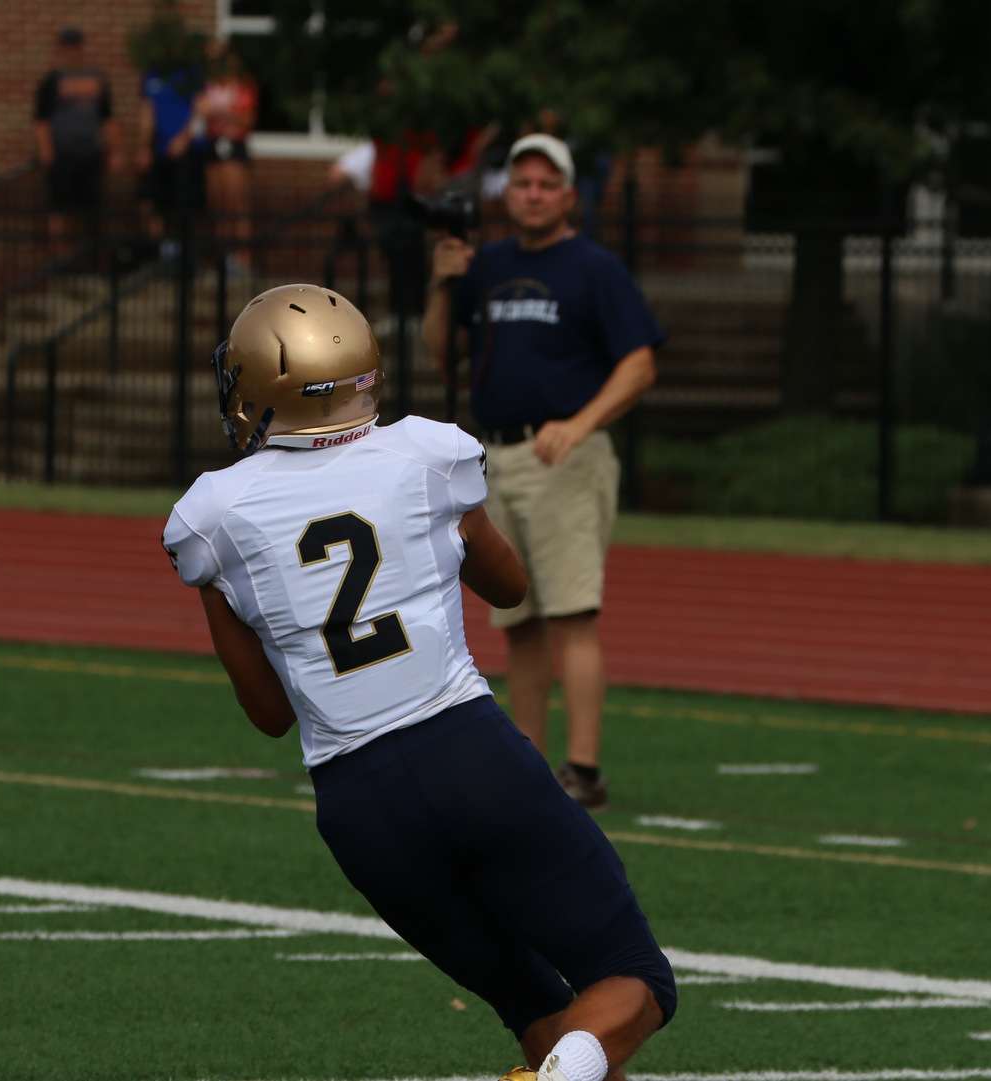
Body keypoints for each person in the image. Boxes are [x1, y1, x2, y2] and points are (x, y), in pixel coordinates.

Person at [164, 284, 675, 1081]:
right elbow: (509, 590)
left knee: (540, 1012)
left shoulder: (212, 514)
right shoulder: (425, 454)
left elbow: (267, 712)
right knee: (634, 981)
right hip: (468, 753)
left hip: (358, 804)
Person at [422, 134, 662, 811]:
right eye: (521, 182)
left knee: (571, 614)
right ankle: (529, 761)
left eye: (544, 183)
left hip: (564, 459)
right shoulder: (487, 263)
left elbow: (639, 363)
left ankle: (582, 769)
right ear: (508, 193)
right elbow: (442, 350)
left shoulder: (594, 268)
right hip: (494, 457)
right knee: (516, 618)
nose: (531, 193)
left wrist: (581, 423)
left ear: (567, 195)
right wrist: (443, 283)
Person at [34, 26, 120, 254]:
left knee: (90, 208)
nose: (72, 52)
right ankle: (60, 256)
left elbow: (108, 118)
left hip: (90, 154)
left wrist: (115, 152)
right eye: (68, 47)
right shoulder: (51, 81)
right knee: (60, 207)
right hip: (62, 154)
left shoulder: (96, 79)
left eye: (76, 47)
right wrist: (46, 150)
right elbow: (40, 120)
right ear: (61, 50)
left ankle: (87, 255)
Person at [135, 59, 207, 260]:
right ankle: (161, 252)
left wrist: (184, 139)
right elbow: (147, 112)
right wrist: (144, 148)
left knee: (184, 203)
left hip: (188, 151)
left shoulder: (194, 72)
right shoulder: (153, 73)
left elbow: (201, 109)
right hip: (159, 151)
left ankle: (185, 253)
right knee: (148, 199)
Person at [196, 43, 258, 274]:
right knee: (218, 203)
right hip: (214, 145)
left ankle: (243, 259)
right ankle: (223, 259)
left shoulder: (243, 85)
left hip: (234, 144)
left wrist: (221, 113)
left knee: (237, 203)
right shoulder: (208, 85)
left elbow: (247, 118)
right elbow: (201, 109)